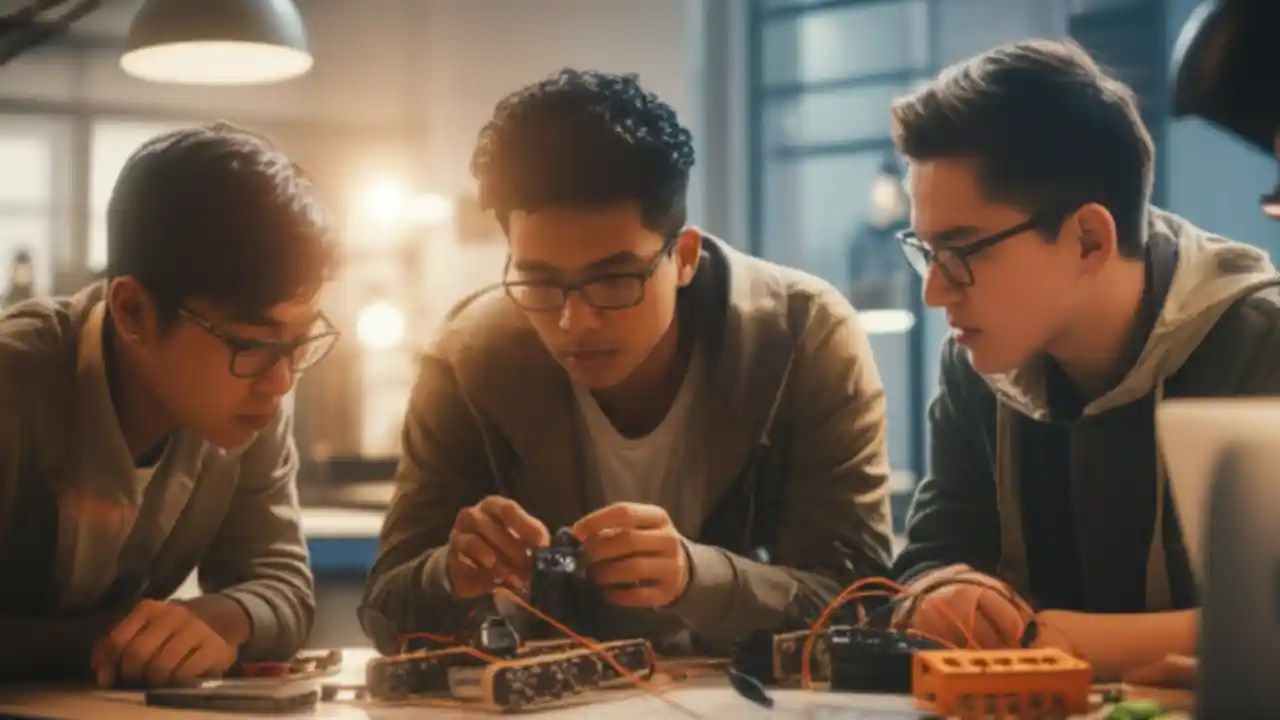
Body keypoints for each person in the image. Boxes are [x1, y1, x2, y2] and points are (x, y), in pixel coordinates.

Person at [361, 69, 893, 655]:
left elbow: (862, 606)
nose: (575, 322)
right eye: (538, 281)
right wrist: (449, 573)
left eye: (614, 280)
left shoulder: (807, 337)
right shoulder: (470, 356)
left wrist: (698, 578)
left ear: (684, 258)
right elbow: (386, 610)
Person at [889, 39, 1280, 680]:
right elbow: (927, 558)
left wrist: (1058, 639)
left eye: (962, 251)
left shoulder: (1260, 344)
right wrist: (939, 592)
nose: (934, 292)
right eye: (925, 252)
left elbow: (1268, 614)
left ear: (1089, 240)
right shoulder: (975, 360)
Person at [0, 123, 337, 685]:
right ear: (132, 311)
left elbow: (283, 582)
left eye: (300, 341)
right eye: (251, 344)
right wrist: (115, 638)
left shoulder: (252, 399)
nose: (281, 382)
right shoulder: (15, 386)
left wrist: (218, 619)